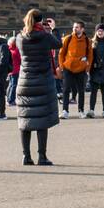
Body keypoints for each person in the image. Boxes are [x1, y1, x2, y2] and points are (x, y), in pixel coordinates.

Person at [15, 9, 60, 164]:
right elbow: (58, 44)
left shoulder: (20, 38)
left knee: (25, 121)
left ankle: (26, 156)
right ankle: (42, 156)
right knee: (42, 120)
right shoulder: (45, 37)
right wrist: (53, 29)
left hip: (24, 82)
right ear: (41, 21)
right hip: (42, 81)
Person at [59, 21, 92, 118]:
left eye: (77, 27)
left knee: (81, 90)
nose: (74, 29)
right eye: (74, 27)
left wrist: (87, 67)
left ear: (82, 29)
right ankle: (65, 111)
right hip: (68, 68)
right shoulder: (68, 39)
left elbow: (90, 55)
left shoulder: (87, 40)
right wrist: (62, 66)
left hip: (81, 69)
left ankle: (81, 111)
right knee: (66, 90)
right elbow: (61, 53)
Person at [6, 36, 21, 108]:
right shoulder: (16, 50)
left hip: (10, 70)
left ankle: (9, 99)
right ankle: (11, 100)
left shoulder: (8, 49)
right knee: (14, 86)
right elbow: (20, 59)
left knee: (10, 85)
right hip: (16, 70)